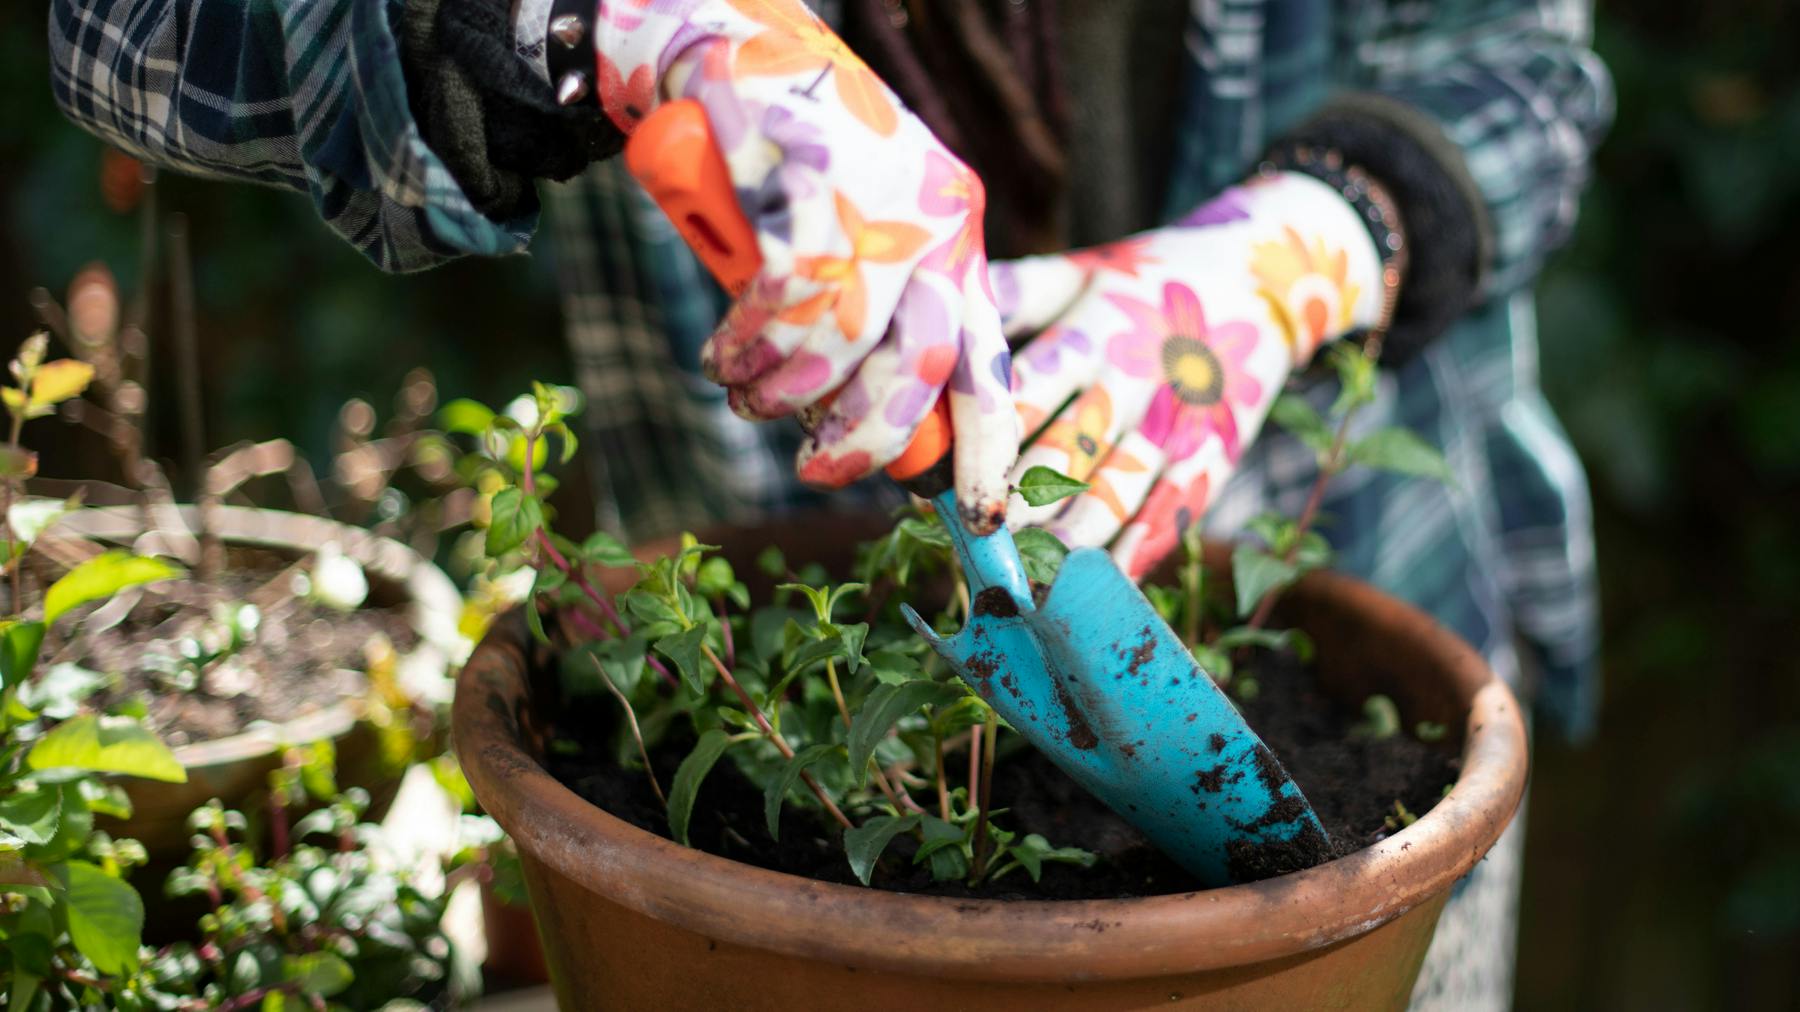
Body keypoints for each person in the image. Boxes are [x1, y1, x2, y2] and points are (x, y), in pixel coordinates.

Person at [49, 0, 1610, 1006]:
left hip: (1382, 575)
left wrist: (1298, 254)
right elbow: (122, 31)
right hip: (757, 598)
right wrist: (605, 22)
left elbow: (1531, 73)